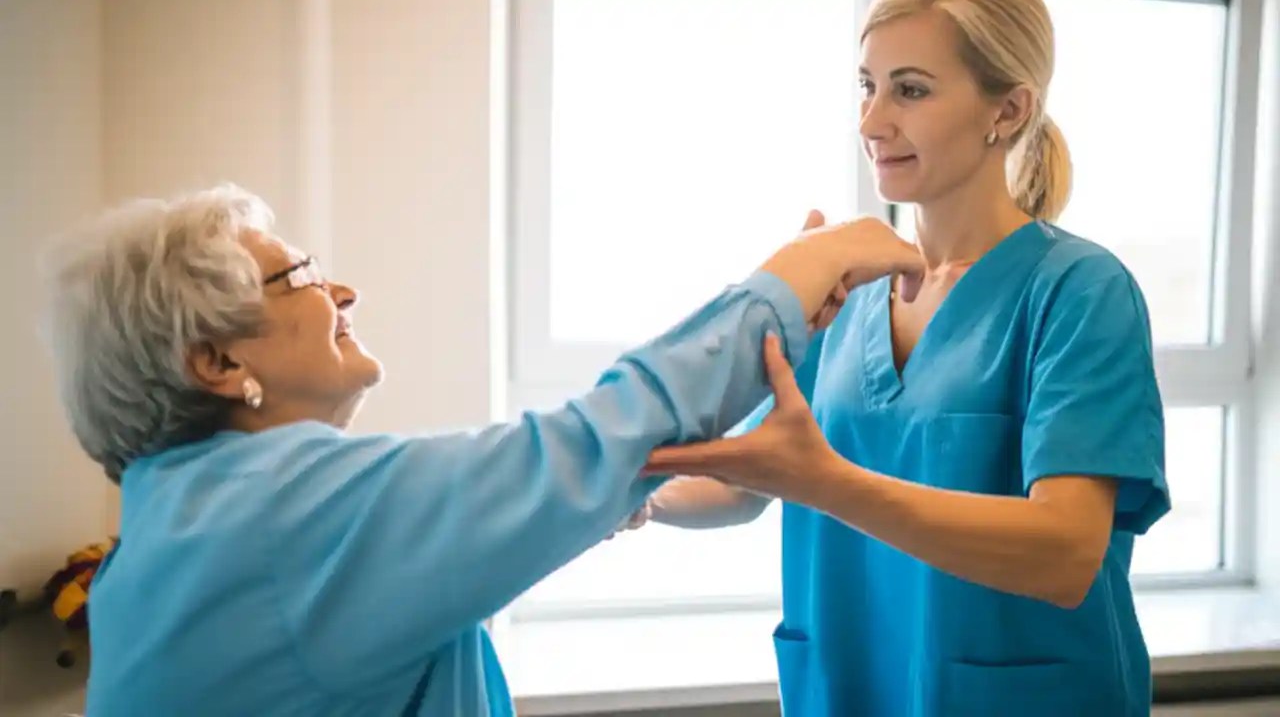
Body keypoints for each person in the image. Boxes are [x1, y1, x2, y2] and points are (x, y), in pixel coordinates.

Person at [40, 183, 921, 716]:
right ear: (219, 360)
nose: (342, 290)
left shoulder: (188, 519)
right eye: (301, 276)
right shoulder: (284, 519)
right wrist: (809, 265)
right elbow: (580, 445)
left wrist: (701, 466)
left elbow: (557, 481)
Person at [635, 0, 1170, 715]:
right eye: (867, 85)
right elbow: (744, 480)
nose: (870, 122)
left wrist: (826, 484)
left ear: (1007, 111)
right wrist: (631, 489)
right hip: (853, 687)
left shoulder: (1078, 292)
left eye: (910, 90)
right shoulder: (845, 288)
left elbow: (1066, 552)